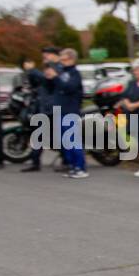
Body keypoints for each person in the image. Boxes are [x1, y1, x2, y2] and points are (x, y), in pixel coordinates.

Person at [20, 46, 59, 172]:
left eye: (47, 54)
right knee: (40, 135)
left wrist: (32, 70)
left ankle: (68, 161)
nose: (44, 57)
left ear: (54, 55)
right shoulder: (49, 67)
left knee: (58, 135)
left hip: (53, 107)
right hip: (45, 107)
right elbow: (42, 83)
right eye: (44, 55)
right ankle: (35, 162)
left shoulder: (57, 68)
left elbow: (48, 81)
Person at [50, 48, 87, 178]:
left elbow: (69, 88)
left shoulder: (75, 74)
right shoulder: (62, 73)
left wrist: (56, 78)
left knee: (73, 140)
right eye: (61, 59)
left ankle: (80, 167)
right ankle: (71, 165)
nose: (62, 61)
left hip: (71, 110)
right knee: (65, 141)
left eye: (64, 59)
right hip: (61, 110)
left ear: (71, 59)